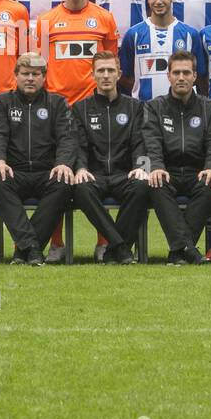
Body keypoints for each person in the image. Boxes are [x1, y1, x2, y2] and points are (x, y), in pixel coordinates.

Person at [0, 52, 76, 265]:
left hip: (47, 171)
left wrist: (63, 162)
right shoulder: (1, 102)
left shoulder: (58, 103)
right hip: (14, 171)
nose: (30, 78)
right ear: (15, 76)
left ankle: (24, 249)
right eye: (25, 73)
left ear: (44, 77)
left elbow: (68, 137)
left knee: (64, 183)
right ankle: (32, 248)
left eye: (35, 74)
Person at [141, 50, 211, 265]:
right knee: (155, 184)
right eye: (176, 72)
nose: (181, 77)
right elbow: (151, 141)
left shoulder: (210, 107)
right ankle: (187, 248)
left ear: (194, 77)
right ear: (168, 76)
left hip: (197, 172)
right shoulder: (154, 106)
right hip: (167, 171)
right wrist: (157, 167)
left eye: (186, 73)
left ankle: (179, 250)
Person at [68, 52, 150, 264]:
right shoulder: (79, 108)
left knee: (142, 186)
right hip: (94, 175)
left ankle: (114, 248)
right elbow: (78, 145)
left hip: (124, 174)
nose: (106, 75)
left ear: (119, 74)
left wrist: (141, 166)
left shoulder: (135, 107)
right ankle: (121, 247)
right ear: (92, 74)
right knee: (80, 189)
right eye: (101, 71)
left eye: (110, 70)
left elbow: (141, 141)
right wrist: (80, 168)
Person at [35, 0, 120, 105]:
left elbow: (110, 60)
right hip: (56, 102)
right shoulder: (45, 20)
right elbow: (40, 64)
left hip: (93, 101)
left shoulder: (105, 17)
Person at [118, 0, 202, 101]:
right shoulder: (133, 34)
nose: (158, 1)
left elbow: (200, 77)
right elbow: (125, 77)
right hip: (144, 112)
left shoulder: (190, 34)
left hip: (181, 112)